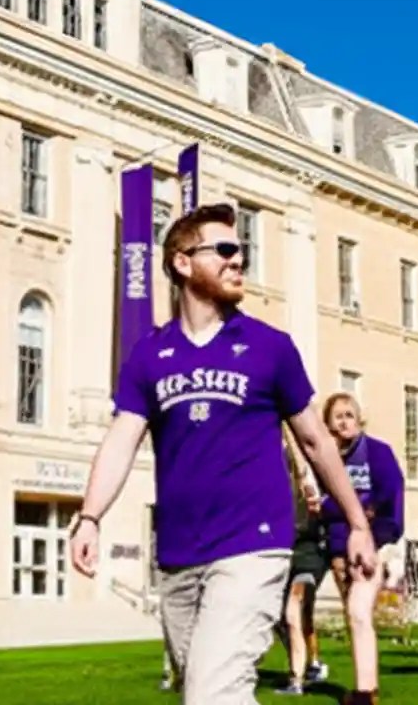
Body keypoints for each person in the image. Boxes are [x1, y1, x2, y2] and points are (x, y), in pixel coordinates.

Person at [68, 203, 378, 704]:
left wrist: (358, 525)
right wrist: (89, 516)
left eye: (242, 250)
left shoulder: (269, 346)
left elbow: (317, 442)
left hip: (252, 546)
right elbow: (122, 438)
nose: (239, 260)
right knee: (206, 690)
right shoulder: (149, 354)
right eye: (226, 250)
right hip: (178, 555)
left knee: (212, 693)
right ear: (183, 261)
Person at [317, 392, 405, 705]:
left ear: (359, 418)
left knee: (357, 610)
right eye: (337, 416)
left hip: (373, 544)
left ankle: (366, 692)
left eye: (349, 414)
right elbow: (324, 508)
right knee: (355, 615)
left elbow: (391, 500)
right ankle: (364, 687)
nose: (344, 421)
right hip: (340, 548)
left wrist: (375, 541)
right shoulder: (326, 459)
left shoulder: (378, 453)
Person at [275, 445, 330, 696]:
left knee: (293, 611)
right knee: (289, 618)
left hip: (311, 557)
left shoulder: (314, 484)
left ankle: (296, 679)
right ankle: (309, 663)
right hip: (289, 556)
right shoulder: (280, 487)